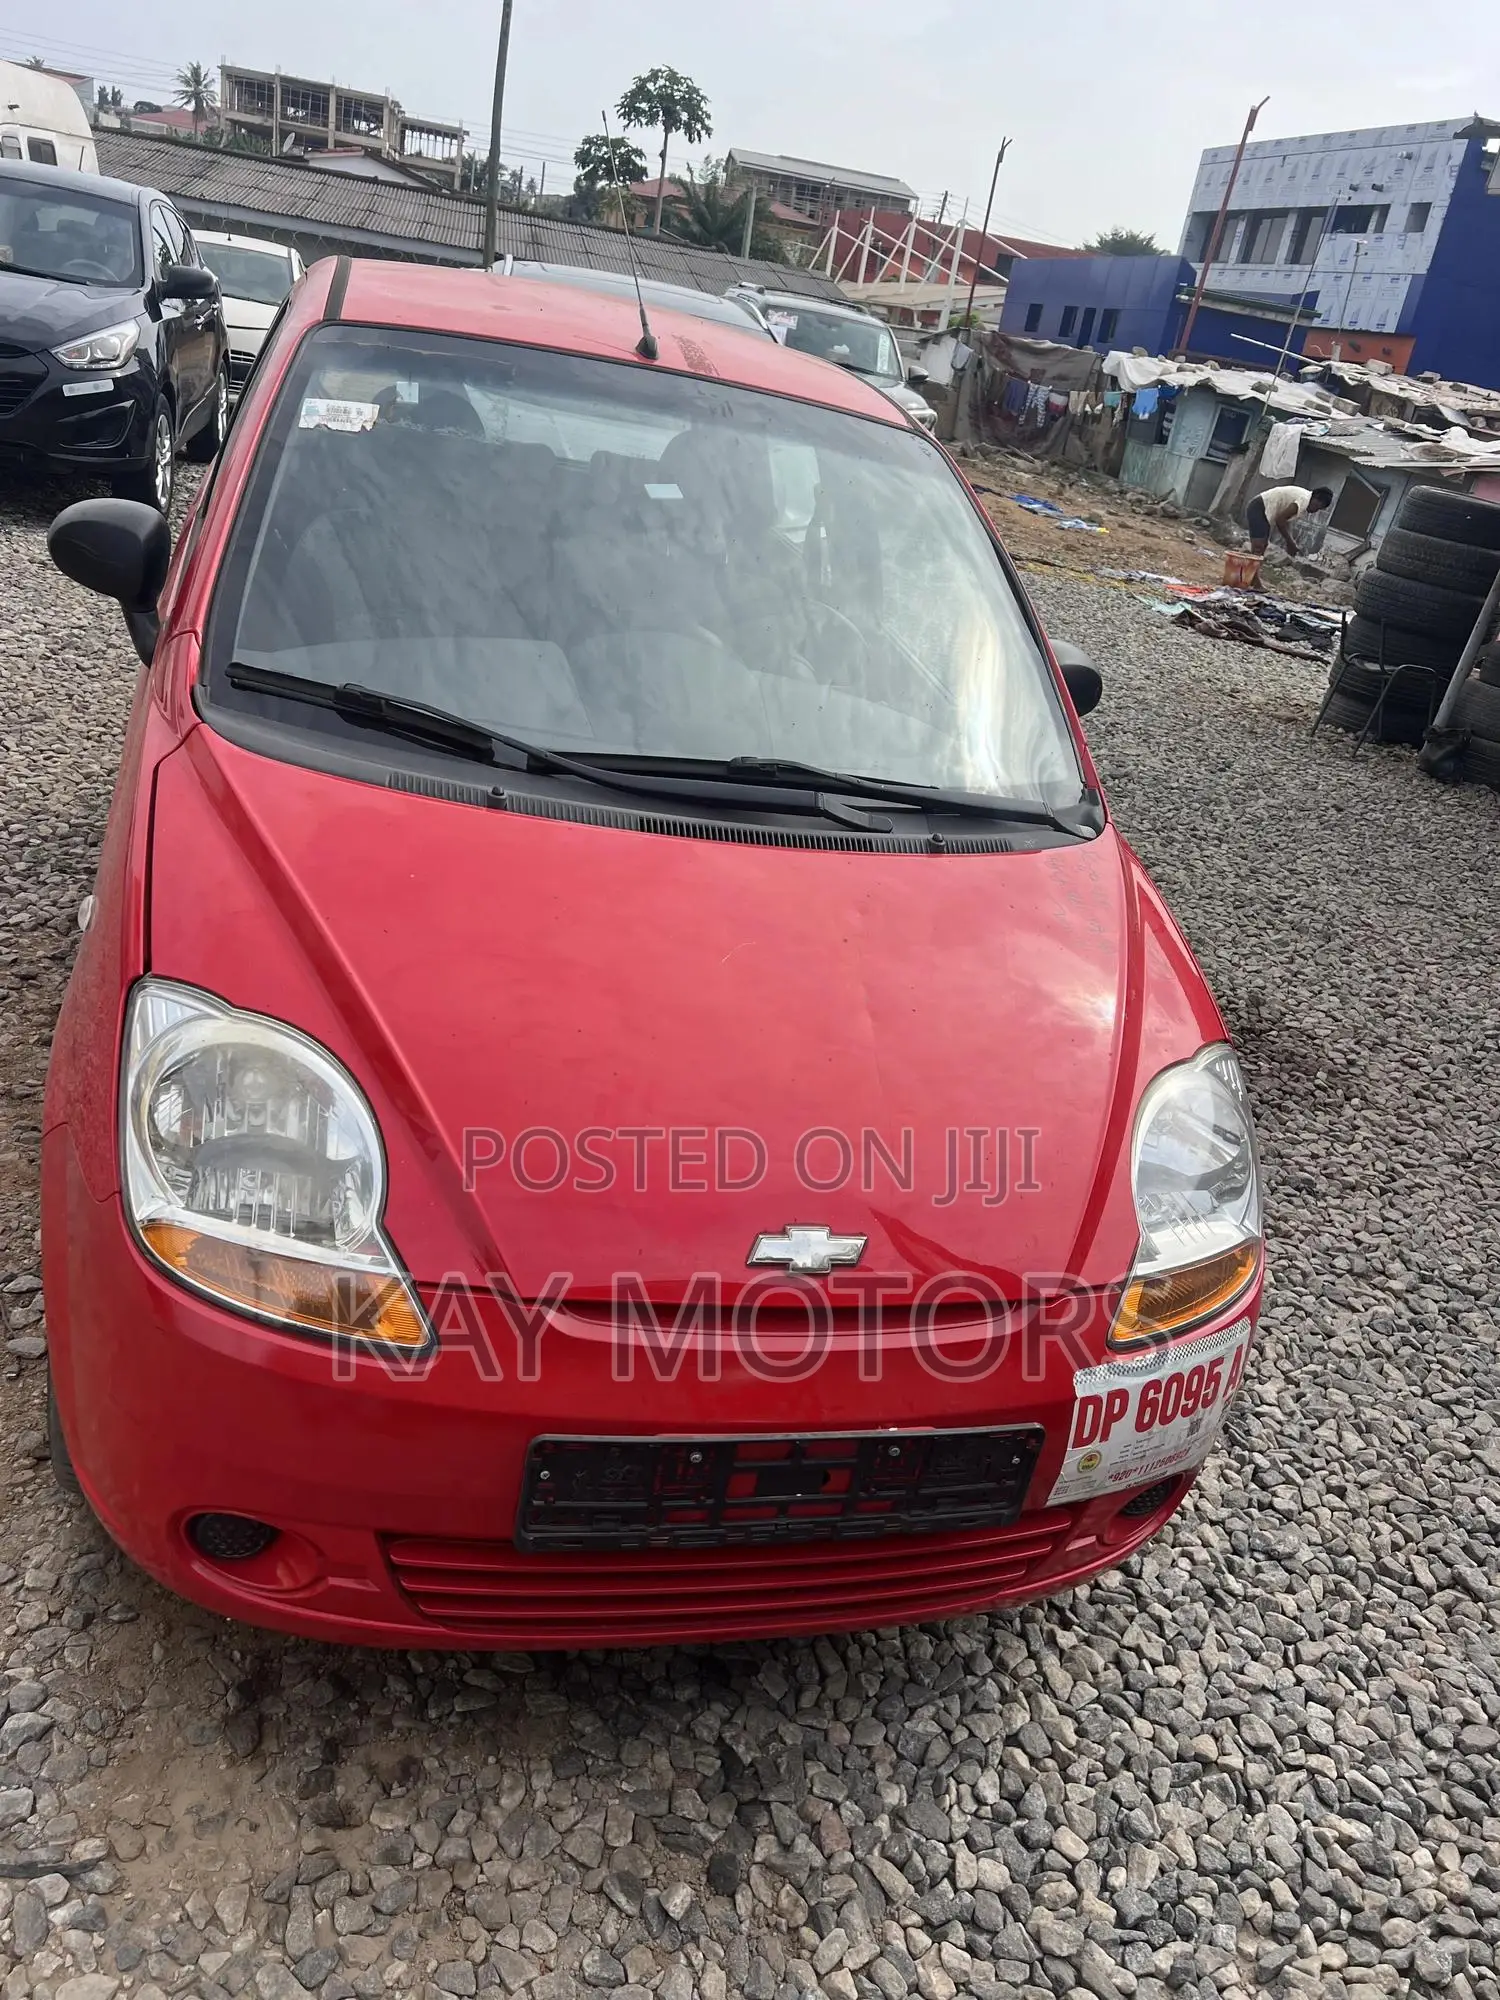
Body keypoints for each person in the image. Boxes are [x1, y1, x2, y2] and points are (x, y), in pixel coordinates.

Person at [1246, 484, 1334, 557]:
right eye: (1317, 507)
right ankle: (1247, 574)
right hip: (1259, 507)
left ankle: (1252, 575)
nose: (1315, 511)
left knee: (1262, 546)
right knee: (1258, 547)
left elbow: (1287, 521)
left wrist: (1292, 541)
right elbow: (1280, 520)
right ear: (1315, 498)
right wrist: (1289, 542)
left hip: (1264, 510)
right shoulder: (1304, 500)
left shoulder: (1305, 499)